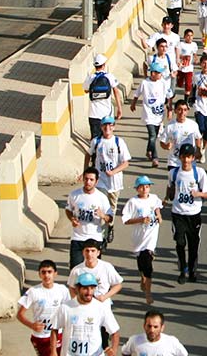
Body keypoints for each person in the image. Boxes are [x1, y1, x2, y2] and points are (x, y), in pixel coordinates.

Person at [169, 143, 207, 283]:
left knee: (193, 245)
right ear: (179, 157)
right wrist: (167, 197)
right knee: (180, 242)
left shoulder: (198, 173)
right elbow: (170, 190)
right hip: (178, 213)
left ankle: (193, 271)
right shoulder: (173, 173)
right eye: (183, 157)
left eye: (188, 157)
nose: (186, 160)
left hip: (194, 214)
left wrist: (197, 193)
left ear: (193, 158)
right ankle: (182, 270)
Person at [53, 272, 120, 356]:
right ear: (77, 288)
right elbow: (54, 329)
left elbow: (115, 332)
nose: (89, 292)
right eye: (85, 288)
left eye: (92, 288)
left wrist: (113, 350)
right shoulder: (65, 307)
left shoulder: (101, 308)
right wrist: (53, 352)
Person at [120, 176, 163, 303]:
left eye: (147, 186)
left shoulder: (154, 198)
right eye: (142, 187)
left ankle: (148, 294)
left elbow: (157, 207)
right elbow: (125, 220)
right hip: (139, 238)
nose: (145, 189)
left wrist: (159, 215)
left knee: (148, 264)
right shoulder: (132, 202)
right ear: (137, 189)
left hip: (151, 237)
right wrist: (140, 220)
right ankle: (142, 276)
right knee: (142, 263)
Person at [88, 115, 131, 243]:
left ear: (113, 127)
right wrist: (86, 171)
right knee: (100, 205)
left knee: (111, 208)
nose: (107, 128)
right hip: (100, 180)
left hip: (115, 181)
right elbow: (88, 154)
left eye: (110, 125)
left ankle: (110, 227)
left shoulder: (119, 142)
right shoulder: (96, 142)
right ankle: (100, 235)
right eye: (105, 125)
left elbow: (126, 162)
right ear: (101, 127)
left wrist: (113, 172)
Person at [17, 261, 68, 356]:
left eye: (49, 272)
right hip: (41, 337)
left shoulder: (62, 290)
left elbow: (69, 309)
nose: (46, 275)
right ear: (39, 275)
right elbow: (19, 315)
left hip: (59, 335)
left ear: (55, 273)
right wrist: (31, 325)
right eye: (43, 272)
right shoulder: (33, 291)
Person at [66, 167, 113, 268]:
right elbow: (68, 210)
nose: (88, 182)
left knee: (93, 270)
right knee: (75, 269)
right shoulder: (74, 195)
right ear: (83, 179)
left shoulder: (102, 198)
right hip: (78, 237)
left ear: (96, 181)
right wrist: (72, 219)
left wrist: (103, 216)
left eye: (91, 180)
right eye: (86, 179)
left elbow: (110, 218)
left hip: (94, 238)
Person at [131, 61, 172, 167]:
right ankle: (155, 157)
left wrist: (170, 110)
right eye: (158, 72)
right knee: (152, 135)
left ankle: (149, 150)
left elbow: (169, 96)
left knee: (154, 136)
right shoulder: (145, 83)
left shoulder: (163, 82)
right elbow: (136, 94)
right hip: (148, 114)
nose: (160, 74)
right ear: (153, 73)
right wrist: (133, 104)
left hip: (159, 115)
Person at [85, 54, 122, 139]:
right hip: (107, 114)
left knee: (94, 138)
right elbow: (116, 92)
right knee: (107, 136)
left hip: (93, 114)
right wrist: (119, 109)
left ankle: (94, 151)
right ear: (104, 65)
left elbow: (85, 90)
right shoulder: (110, 77)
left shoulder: (90, 78)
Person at [119, 311, 187, 356]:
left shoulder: (172, 342)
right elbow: (125, 352)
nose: (152, 330)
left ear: (162, 328)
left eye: (155, 327)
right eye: (149, 326)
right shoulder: (135, 340)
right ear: (144, 326)